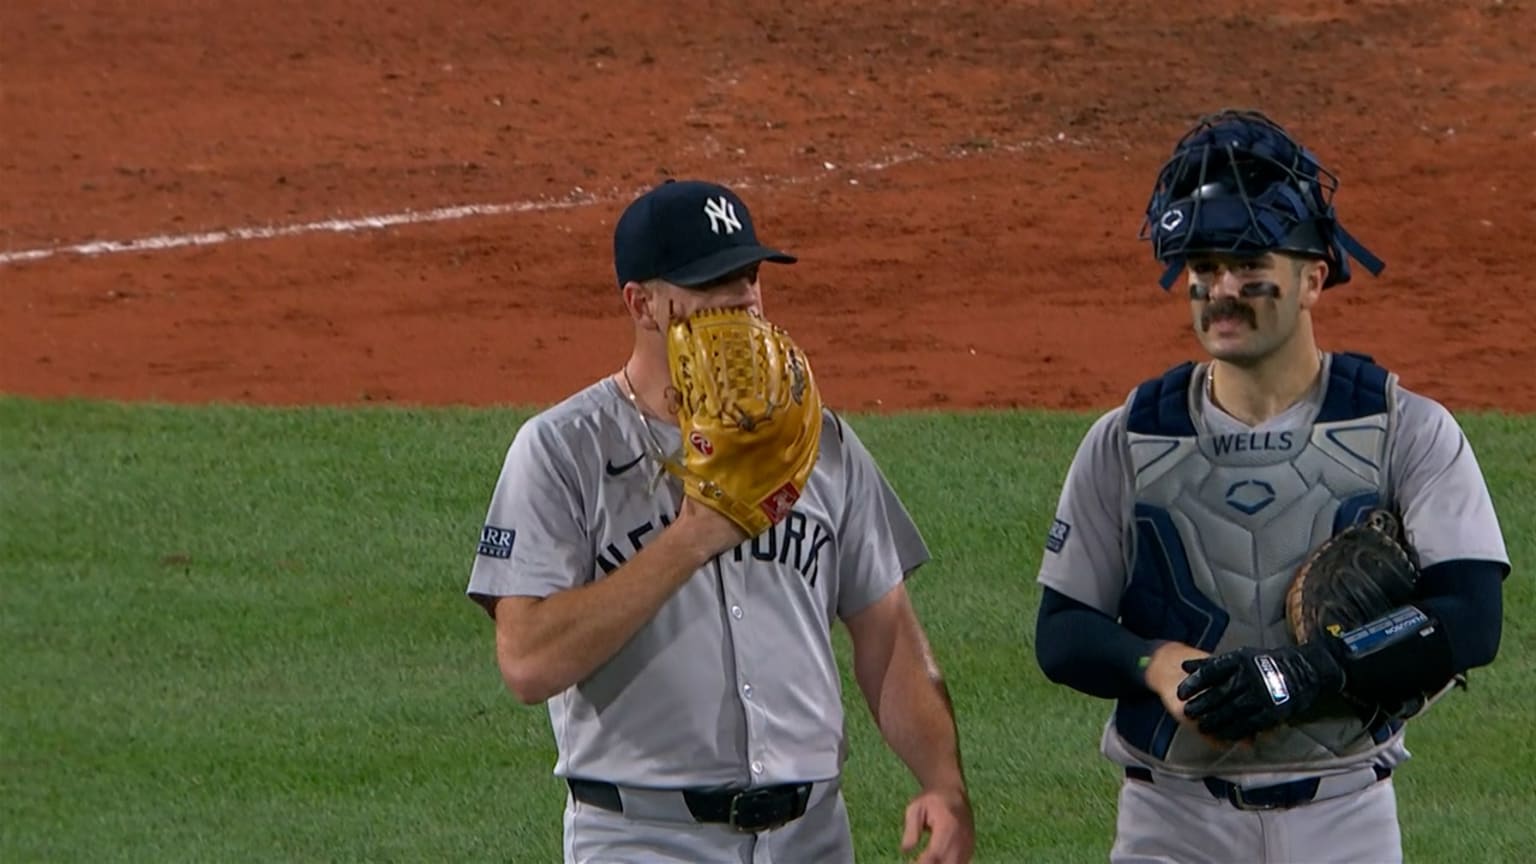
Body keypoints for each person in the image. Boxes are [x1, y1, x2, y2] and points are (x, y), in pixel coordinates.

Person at [1032, 109, 1510, 864]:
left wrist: (1312, 668)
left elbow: (1472, 619)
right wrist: (1154, 663)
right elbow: (1062, 632)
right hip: (1171, 823)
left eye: (1250, 263)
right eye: (1204, 266)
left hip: (1343, 819)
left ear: (1313, 277)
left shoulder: (1405, 429)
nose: (1223, 289)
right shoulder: (1128, 439)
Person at [466, 178, 975, 864]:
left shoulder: (818, 443)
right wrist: (691, 539)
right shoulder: (562, 450)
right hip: (645, 839)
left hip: (811, 837)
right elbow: (528, 663)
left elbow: (887, 635)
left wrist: (943, 783)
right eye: (711, 284)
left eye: (749, 277)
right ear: (641, 304)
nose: (742, 301)